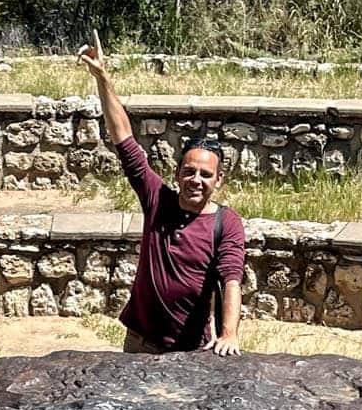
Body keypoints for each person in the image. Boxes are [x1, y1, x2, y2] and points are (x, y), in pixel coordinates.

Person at [78, 33, 246, 356]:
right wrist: (103, 78)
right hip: (139, 343)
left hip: (189, 350)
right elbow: (124, 137)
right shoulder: (157, 199)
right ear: (177, 174)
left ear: (219, 180)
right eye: (189, 171)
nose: (196, 180)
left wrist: (229, 333)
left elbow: (231, 280)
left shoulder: (227, 224)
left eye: (206, 174)